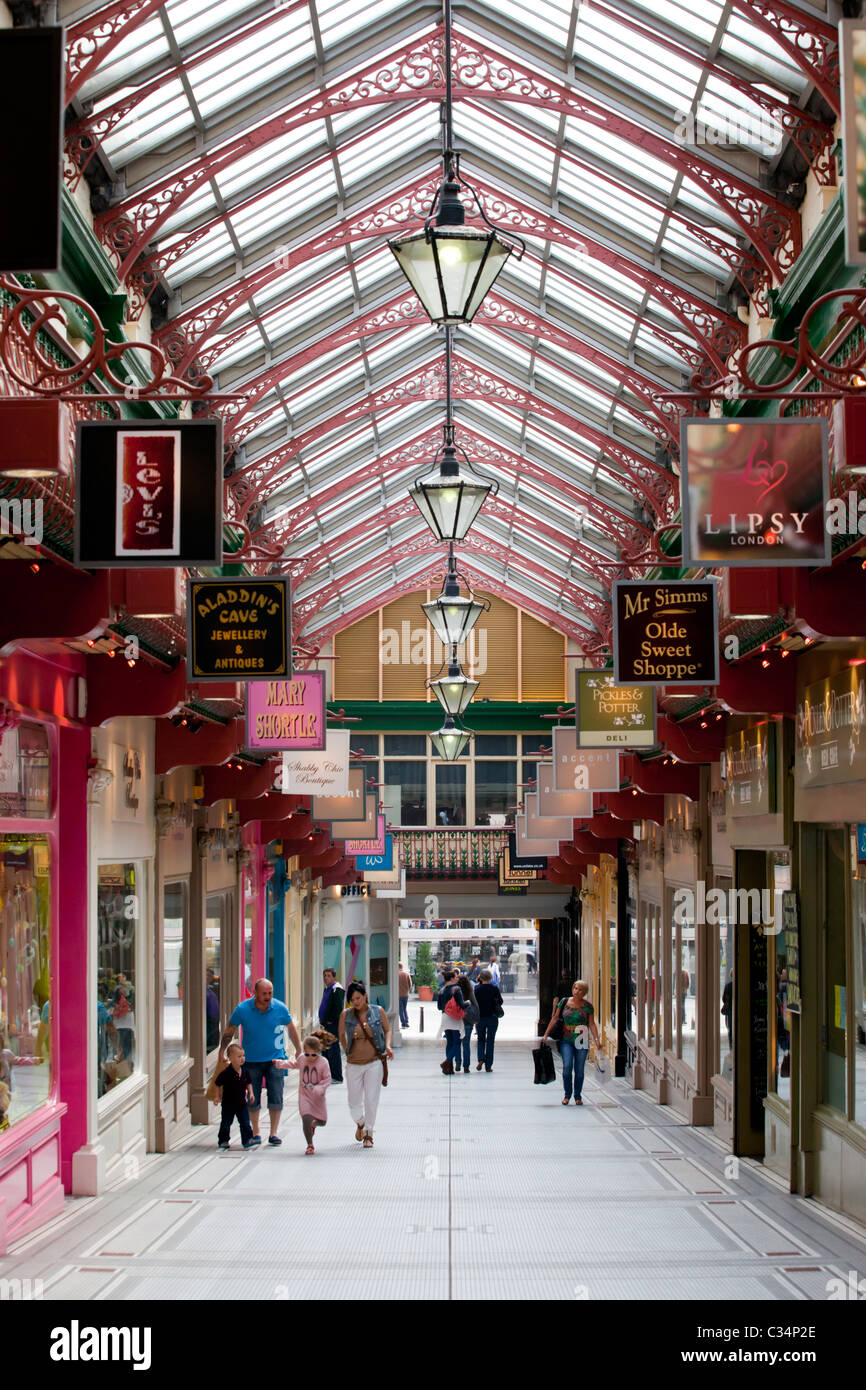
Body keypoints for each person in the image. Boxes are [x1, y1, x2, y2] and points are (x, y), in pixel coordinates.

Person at [221, 978, 300, 1145]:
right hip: (250, 1061)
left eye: (270, 993)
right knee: (252, 1097)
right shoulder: (243, 1009)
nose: (267, 996)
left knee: (276, 1095)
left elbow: (291, 1028)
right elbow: (230, 1030)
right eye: (264, 993)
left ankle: (273, 1133)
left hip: (275, 1060)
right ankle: (256, 1132)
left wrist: (299, 1050)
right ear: (255, 993)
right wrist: (222, 1051)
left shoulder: (279, 1008)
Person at [339, 980, 393, 1148]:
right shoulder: (346, 1015)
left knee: (371, 1098)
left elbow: (387, 1030)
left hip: (373, 1062)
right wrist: (346, 1049)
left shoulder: (378, 1011)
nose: (356, 1002)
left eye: (358, 998)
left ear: (365, 996)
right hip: (354, 1063)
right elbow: (341, 1034)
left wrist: (388, 1046)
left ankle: (369, 1133)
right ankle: (360, 1122)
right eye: (352, 999)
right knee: (353, 1101)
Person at [541, 979, 601, 1106]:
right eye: (575, 988)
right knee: (567, 1067)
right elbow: (555, 1018)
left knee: (579, 1069)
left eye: (580, 990)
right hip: (566, 1039)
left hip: (582, 1039)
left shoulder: (588, 1006)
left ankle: (577, 1095)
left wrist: (597, 1040)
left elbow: (591, 1024)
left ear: (584, 992)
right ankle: (567, 1094)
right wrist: (545, 1034)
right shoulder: (564, 1002)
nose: (576, 991)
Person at [281, 1035, 331, 1155]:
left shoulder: (323, 1062)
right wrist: (279, 1064)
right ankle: (310, 1144)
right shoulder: (302, 1059)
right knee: (306, 1118)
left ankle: (314, 1125)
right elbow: (294, 1064)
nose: (310, 1057)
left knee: (323, 1121)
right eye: (307, 1054)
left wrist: (319, 1088)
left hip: (318, 1098)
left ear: (319, 1052)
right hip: (304, 1095)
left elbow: (327, 1079)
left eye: (313, 1055)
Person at [213, 1041, 256, 1150]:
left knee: (245, 1122)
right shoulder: (226, 1073)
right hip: (228, 1104)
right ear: (230, 1058)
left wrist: (251, 1093)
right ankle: (223, 1140)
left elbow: (248, 1083)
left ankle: (247, 1139)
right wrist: (217, 1097)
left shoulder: (245, 1072)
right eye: (239, 1056)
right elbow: (217, 1084)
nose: (242, 1058)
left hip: (242, 1104)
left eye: (243, 1056)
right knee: (226, 1123)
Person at [318, 968, 345, 1083]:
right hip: (325, 1024)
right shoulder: (327, 989)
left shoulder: (337, 990)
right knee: (325, 1050)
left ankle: (337, 1076)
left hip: (332, 1025)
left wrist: (331, 1020)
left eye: (328, 975)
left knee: (333, 1050)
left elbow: (338, 1008)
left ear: (334, 977)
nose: (326, 978)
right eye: (324, 975)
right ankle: (328, 1075)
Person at [474, 968, 503, 1071]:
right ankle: (488, 1065)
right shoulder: (494, 989)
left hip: (480, 1018)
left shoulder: (476, 989)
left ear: (480, 977)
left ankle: (481, 1058)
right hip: (492, 1017)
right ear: (490, 978)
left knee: (480, 1039)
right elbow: (500, 1002)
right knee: (490, 1041)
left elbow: (473, 1003)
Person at [437, 967, 464, 1075]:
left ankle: (449, 1067)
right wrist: (468, 1003)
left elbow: (439, 1006)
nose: (458, 978)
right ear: (452, 978)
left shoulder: (442, 990)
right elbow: (461, 1004)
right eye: (456, 977)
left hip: (445, 1017)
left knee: (450, 1041)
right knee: (457, 1042)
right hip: (454, 1017)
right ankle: (447, 1061)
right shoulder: (456, 989)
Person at [456, 974, 478, 1073]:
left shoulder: (455, 992)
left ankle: (457, 1063)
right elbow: (476, 1006)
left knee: (457, 1043)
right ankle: (466, 1066)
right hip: (468, 1022)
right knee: (466, 1044)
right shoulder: (470, 993)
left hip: (457, 1021)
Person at [398, 962, 412, 1029]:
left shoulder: (396, 975)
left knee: (400, 1009)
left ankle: (403, 1023)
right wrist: (407, 990)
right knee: (404, 1008)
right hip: (406, 994)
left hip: (398, 995)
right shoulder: (406, 974)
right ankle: (406, 1021)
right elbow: (410, 984)